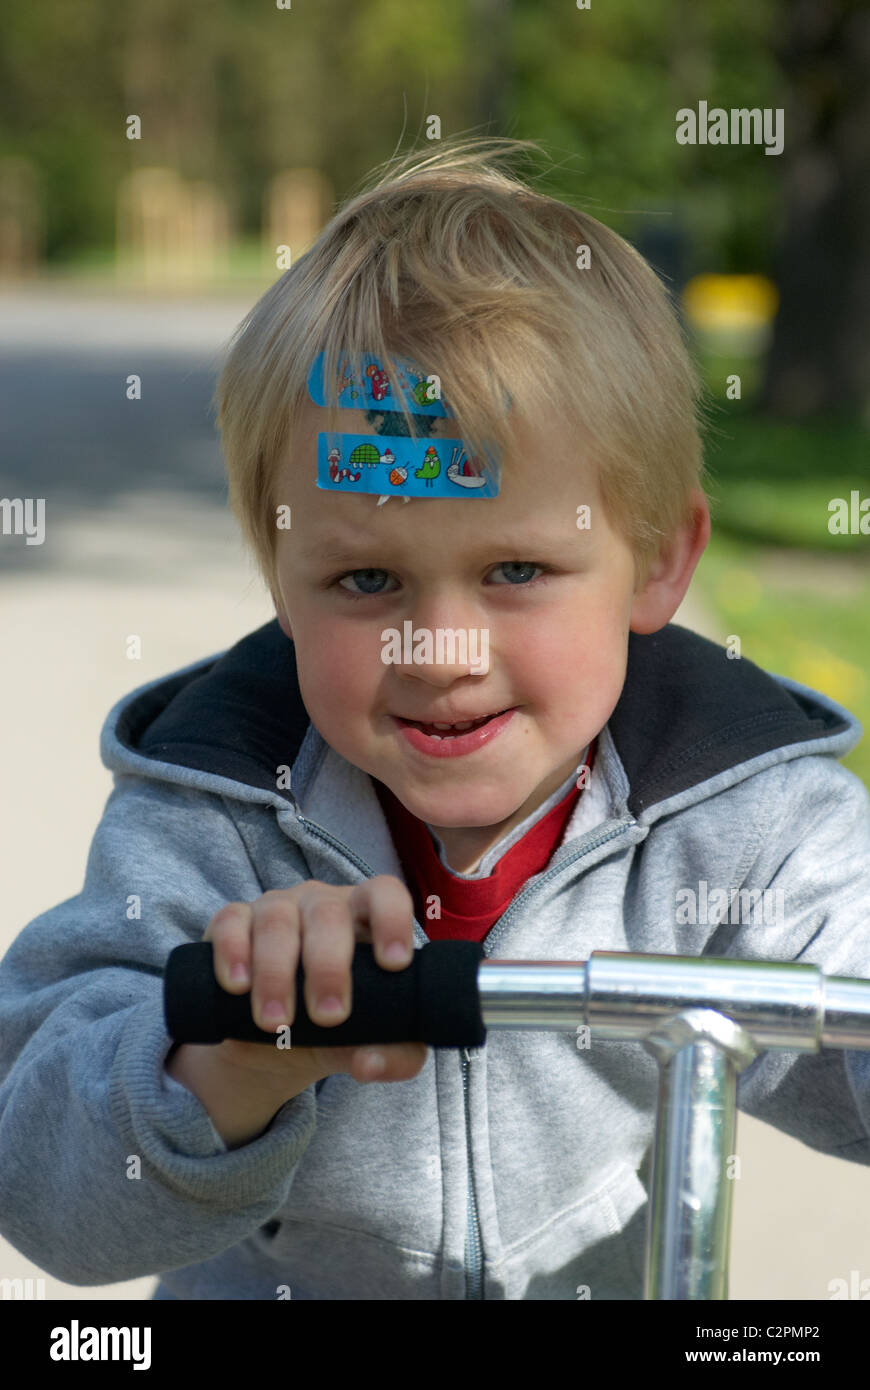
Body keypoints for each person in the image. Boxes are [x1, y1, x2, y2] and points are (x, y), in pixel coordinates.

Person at [1, 136, 869, 1301]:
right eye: (367, 583)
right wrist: (230, 1059)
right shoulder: (206, 822)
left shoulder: (740, 816)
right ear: (280, 577)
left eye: (514, 568)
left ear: (660, 562)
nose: (442, 651)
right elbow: (49, 1191)